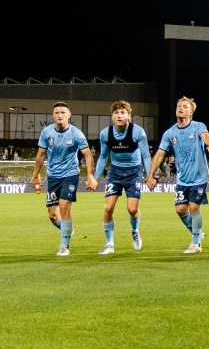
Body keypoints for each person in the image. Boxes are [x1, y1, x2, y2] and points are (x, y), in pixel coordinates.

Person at [147, 97, 209, 254]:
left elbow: (206, 137)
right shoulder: (170, 133)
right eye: (179, 106)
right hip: (182, 178)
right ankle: (197, 233)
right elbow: (160, 154)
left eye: (184, 106)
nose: (180, 108)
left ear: (191, 112)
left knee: (193, 208)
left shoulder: (198, 126)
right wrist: (150, 175)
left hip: (199, 175)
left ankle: (196, 244)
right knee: (180, 209)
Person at [32, 102, 96, 256]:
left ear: (69, 115)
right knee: (53, 216)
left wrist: (89, 175)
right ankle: (67, 229)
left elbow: (87, 155)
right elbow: (41, 155)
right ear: (53, 115)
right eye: (57, 113)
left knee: (64, 206)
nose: (60, 115)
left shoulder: (76, 134)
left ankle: (64, 246)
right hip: (53, 176)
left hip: (70, 175)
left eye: (62, 112)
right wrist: (35, 175)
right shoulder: (47, 132)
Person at [94, 100, 151, 255]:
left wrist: (150, 175)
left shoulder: (138, 132)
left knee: (132, 209)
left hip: (134, 173)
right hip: (115, 173)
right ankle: (109, 244)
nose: (119, 115)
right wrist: (95, 177)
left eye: (122, 112)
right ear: (112, 116)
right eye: (116, 113)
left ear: (129, 116)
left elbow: (146, 155)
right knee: (108, 208)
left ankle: (135, 230)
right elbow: (103, 157)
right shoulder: (106, 134)